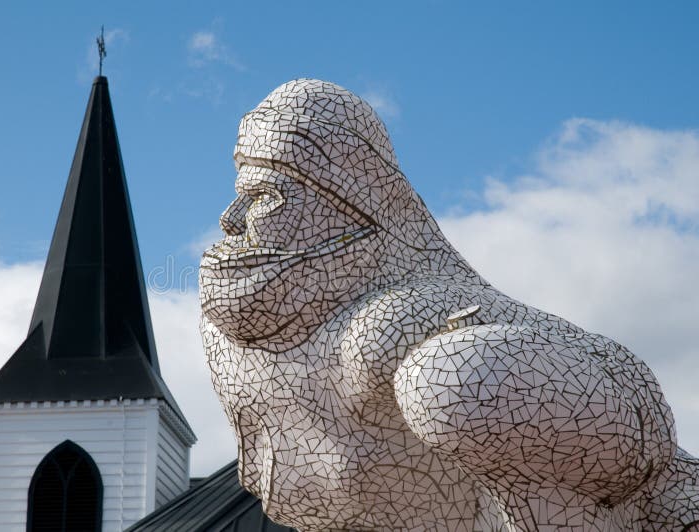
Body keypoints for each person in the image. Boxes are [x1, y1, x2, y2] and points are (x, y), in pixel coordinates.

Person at [199, 78, 699, 531]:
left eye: (262, 195)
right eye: (240, 192)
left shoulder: (395, 326)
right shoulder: (248, 339)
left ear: (341, 203)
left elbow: (635, 426)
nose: (231, 218)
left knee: (448, 377)